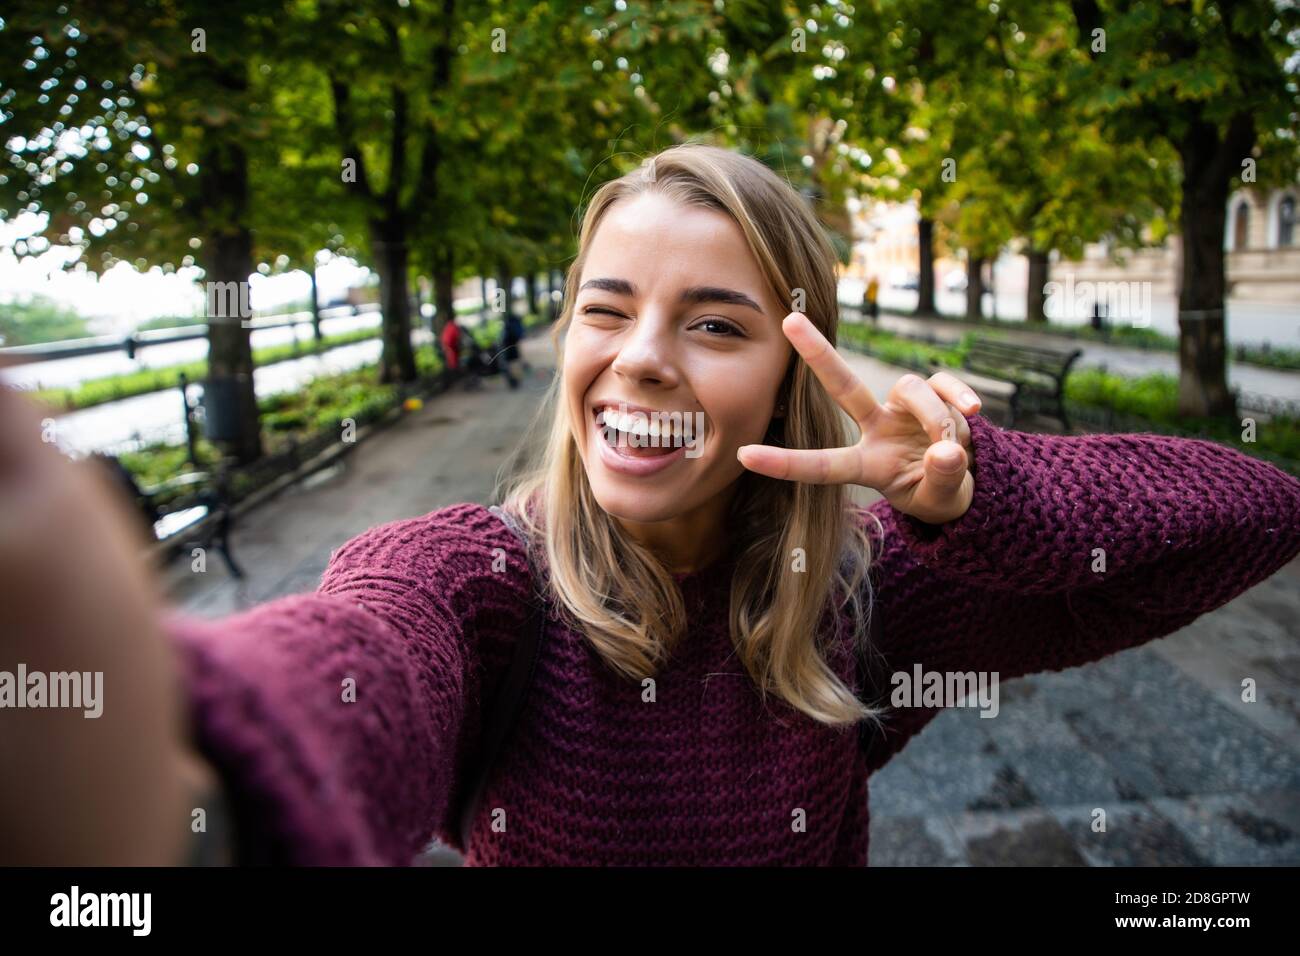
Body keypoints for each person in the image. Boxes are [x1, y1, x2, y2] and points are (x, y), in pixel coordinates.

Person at [3, 143, 1299, 866]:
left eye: (716, 322)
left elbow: (1252, 514)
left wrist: (979, 492)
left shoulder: (861, 588)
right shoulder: (476, 583)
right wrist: (157, 767)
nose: (639, 356)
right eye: (607, 309)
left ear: (798, 380)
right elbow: (356, 668)